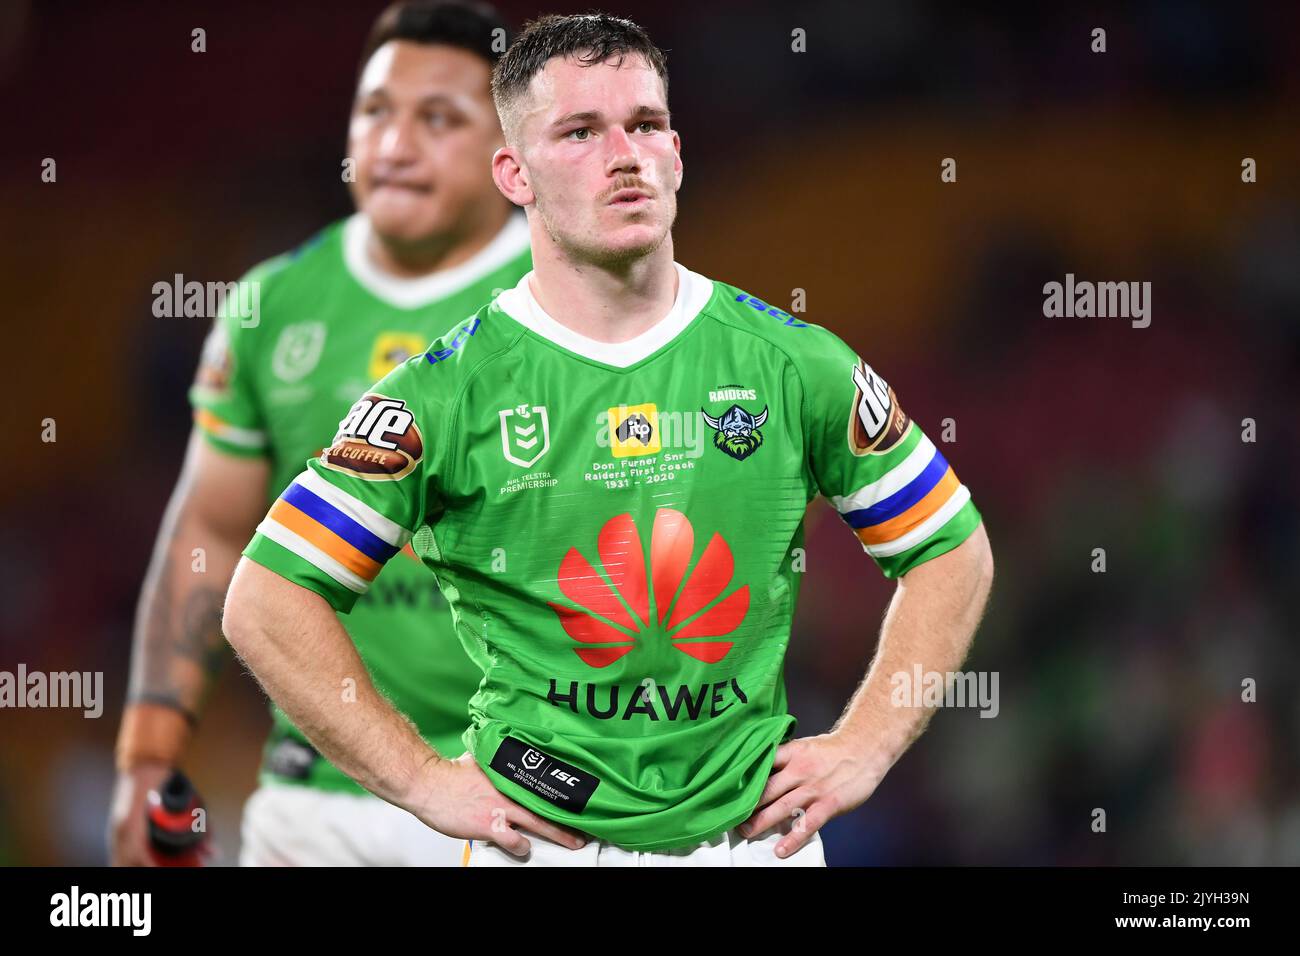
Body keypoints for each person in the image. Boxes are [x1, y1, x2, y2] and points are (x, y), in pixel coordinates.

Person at [222, 12, 994, 867]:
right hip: (541, 841)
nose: (624, 154)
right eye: (580, 132)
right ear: (513, 174)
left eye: (646, 125)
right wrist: (419, 780)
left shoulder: (792, 362)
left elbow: (950, 548)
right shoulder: (441, 395)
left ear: (677, 152)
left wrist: (867, 745)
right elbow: (267, 598)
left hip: (753, 841)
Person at [109, 0, 530, 867]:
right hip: (316, 798)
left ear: (510, 154)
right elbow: (211, 533)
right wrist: (150, 754)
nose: (394, 143)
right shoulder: (272, 305)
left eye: (438, 118)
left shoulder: (579, 298)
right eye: (375, 111)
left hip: (524, 800)